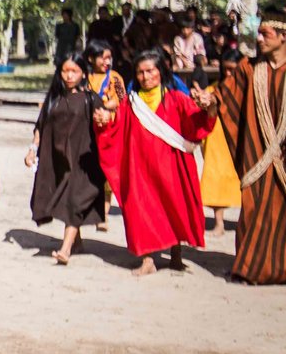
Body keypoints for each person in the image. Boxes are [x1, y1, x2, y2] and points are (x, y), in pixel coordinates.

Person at [196, 10, 286, 284]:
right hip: (256, 156)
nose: (259, 39)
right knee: (254, 210)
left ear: (284, 36)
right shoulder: (249, 68)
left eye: (265, 34)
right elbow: (225, 97)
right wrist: (209, 101)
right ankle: (251, 268)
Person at [95, 49, 216, 276]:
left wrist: (210, 106)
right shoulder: (131, 103)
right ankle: (148, 259)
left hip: (172, 166)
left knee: (175, 208)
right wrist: (104, 122)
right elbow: (116, 126)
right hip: (139, 168)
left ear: (161, 71)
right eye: (140, 72)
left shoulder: (177, 99)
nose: (145, 76)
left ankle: (176, 254)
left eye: (150, 70)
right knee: (141, 210)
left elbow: (199, 123)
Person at [26, 52, 106, 264]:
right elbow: (40, 126)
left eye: (74, 71)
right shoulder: (54, 98)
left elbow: (107, 125)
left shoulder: (91, 99)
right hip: (58, 160)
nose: (69, 76)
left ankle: (66, 249)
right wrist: (32, 149)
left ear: (83, 73)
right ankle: (77, 241)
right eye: (65, 71)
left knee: (74, 200)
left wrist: (105, 117)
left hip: (83, 162)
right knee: (67, 201)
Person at [199, 48, 243, 237]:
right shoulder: (212, 91)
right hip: (216, 138)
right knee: (215, 178)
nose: (228, 73)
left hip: (240, 140)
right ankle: (219, 223)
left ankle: (244, 223)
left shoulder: (247, 93)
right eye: (225, 69)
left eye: (232, 69)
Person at [84, 39, 126, 231]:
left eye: (110, 58)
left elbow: (121, 101)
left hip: (109, 131)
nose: (107, 62)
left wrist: (104, 106)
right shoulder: (85, 77)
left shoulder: (115, 78)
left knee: (107, 174)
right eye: (103, 58)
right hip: (88, 129)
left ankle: (104, 215)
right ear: (92, 58)